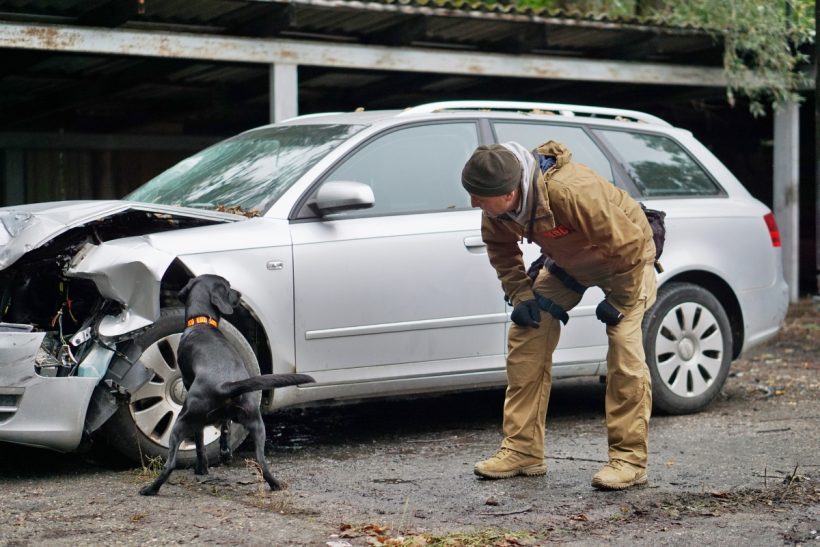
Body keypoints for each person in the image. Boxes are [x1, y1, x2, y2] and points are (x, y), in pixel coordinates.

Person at [461, 140, 657, 490]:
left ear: (508, 193)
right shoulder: (497, 207)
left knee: (624, 347)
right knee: (528, 331)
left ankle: (628, 461)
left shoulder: (570, 191)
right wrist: (521, 294)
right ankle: (523, 451)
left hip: (627, 263)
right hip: (571, 263)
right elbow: (501, 250)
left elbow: (631, 244)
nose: (474, 202)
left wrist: (623, 299)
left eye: (479, 197)